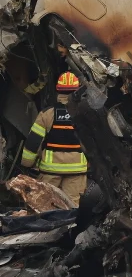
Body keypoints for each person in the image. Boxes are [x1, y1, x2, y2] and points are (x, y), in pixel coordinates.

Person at [20, 71, 88, 205]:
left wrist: (26, 164)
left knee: (46, 205)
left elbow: (33, 142)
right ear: (78, 91)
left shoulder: (47, 114)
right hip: (77, 171)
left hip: (50, 171)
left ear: (58, 90)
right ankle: (70, 226)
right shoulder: (85, 114)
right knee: (73, 206)